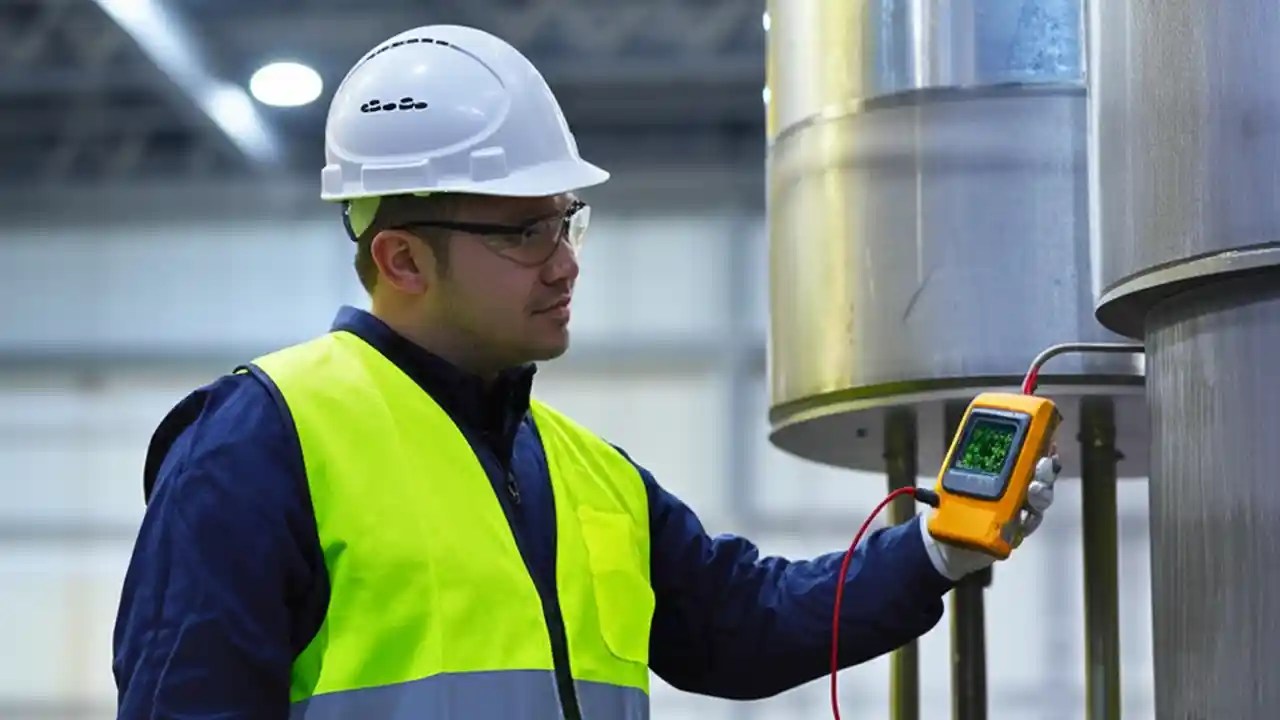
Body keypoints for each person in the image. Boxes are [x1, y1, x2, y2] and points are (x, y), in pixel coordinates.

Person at [112, 24, 1058, 719]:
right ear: (401, 260)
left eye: (566, 221)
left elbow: (741, 622)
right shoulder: (258, 445)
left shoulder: (582, 471)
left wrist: (934, 549)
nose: (565, 262)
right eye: (525, 231)